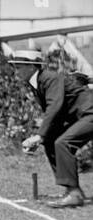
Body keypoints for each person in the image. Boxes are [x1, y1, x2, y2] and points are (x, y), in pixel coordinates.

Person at [11, 49, 93, 208]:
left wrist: (39, 136)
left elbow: (54, 107)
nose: (16, 71)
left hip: (90, 114)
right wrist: (43, 136)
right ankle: (72, 190)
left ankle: (74, 193)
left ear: (31, 66)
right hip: (84, 116)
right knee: (52, 140)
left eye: (19, 67)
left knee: (62, 143)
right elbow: (56, 113)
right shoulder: (37, 82)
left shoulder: (49, 78)